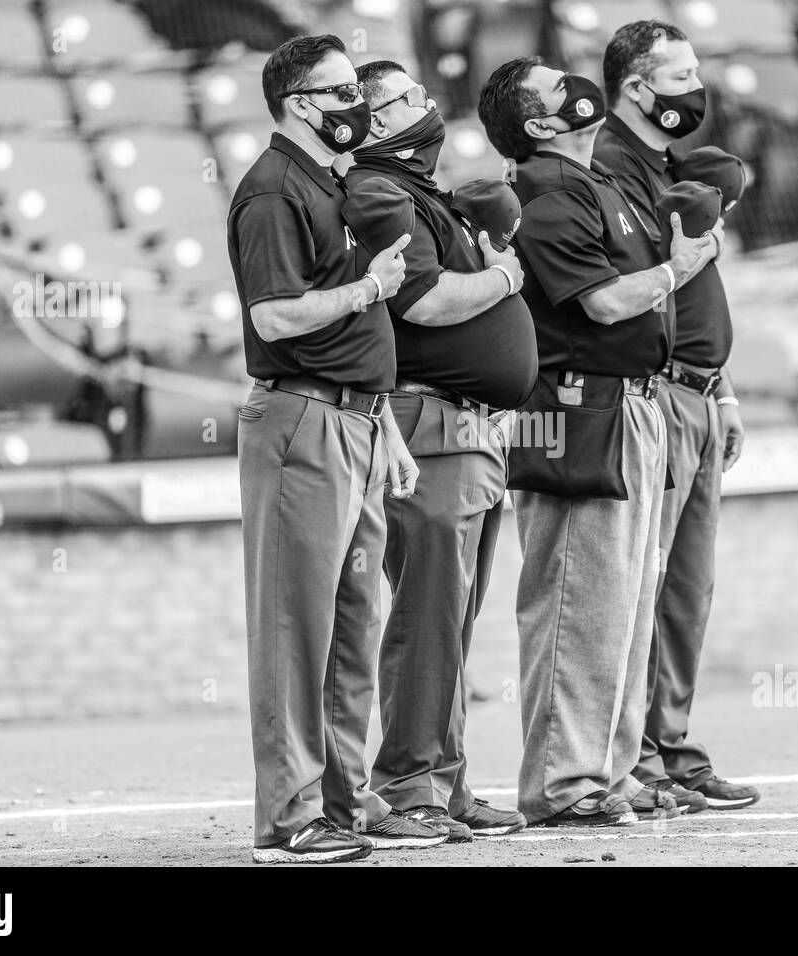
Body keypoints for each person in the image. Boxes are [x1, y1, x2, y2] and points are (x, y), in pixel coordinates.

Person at [477, 56, 721, 827]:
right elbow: (609, 302)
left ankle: (606, 774)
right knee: (580, 603)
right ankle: (564, 784)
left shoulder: (600, 184)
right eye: (556, 88)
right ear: (541, 124)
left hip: (634, 404)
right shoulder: (547, 195)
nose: (576, 86)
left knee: (625, 606)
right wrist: (677, 271)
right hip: (583, 411)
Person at [227, 33, 448, 864]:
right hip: (299, 423)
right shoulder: (274, 190)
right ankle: (287, 823)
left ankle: (344, 802)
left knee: (355, 622)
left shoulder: (335, 184)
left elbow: (352, 332)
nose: (358, 102)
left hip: (353, 422)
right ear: (298, 104)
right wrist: (369, 289)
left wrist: (383, 423)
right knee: (295, 626)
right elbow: (276, 318)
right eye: (343, 90)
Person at [345, 59, 537, 839]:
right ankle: (411, 781)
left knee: (454, 614)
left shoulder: (425, 193)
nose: (426, 108)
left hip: (466, 426)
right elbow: (424, 302)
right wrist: (501, 279)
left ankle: (445, 779)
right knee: (426, 614)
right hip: (425, 423)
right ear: (376, 122)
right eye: (405, 101)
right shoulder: (377, 191)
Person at [593, 19, 760, 813]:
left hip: (698, 390)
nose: (696, 90)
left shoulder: (667, 161)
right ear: (637, 85)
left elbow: (695, 290)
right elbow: (636, 287)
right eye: (681, 75)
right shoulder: (607, 163)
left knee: (687, 589)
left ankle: (674, 747)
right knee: (646, 585)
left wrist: (721, 388)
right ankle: (642, 761)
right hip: (652, 392)